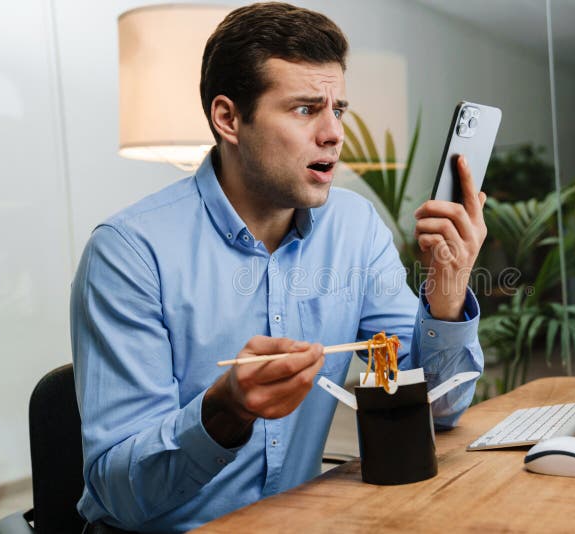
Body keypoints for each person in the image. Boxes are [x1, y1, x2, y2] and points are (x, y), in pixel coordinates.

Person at [71, 2, 487, 532]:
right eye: (305, 109)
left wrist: (447, 290)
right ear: (228, 119)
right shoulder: (128, 253)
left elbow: (440, 408)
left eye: (338, 109)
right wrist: (224, 413)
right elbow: (122, 495)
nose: (333, 133)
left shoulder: (355, 227)